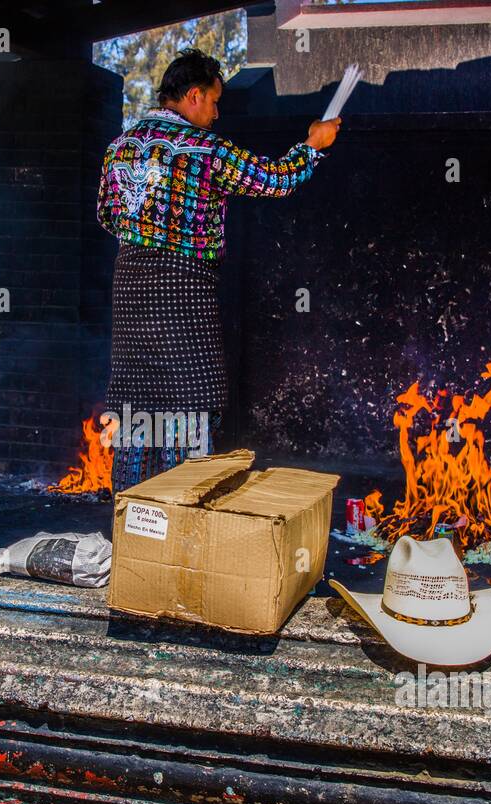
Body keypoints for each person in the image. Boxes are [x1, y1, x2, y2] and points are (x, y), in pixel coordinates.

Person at [97, 49, 340, 490]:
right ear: (193, 95)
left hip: (130, 290)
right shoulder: (205, 149)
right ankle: (183, 520)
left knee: (136, 411)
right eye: (213, 100)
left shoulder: (120, 147)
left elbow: (107, 216)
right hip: (182, 290)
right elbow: (273, 178)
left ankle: (133, 524)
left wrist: (148, 232)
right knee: (189, 406)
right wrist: (312, 147)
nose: (216, 112)